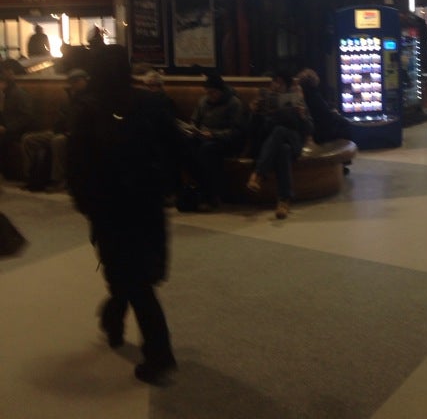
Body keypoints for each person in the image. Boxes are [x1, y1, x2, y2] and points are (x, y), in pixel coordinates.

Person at [66, 45, 179, 385]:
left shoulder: (87, 109)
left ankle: (158, 352)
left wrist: (86, 204)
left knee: (132, 277)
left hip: (110, 208)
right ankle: (115, 320)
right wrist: (167, 188)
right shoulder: (152, 103)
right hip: (146, 205)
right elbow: (174, 149)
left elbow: (76, 165)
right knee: (137, 275)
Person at [246, 70, 313, 219]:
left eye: (280, 82)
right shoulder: (265, 98)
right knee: (283, 150)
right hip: (271, 145)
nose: (276, 85)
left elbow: (310, 129)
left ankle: (258, 174)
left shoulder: (297, 100)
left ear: (287, 86)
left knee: (280, 131)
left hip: (295, 140)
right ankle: (284, 200)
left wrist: (302, 117)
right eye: (274, 82)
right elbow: (252, 130)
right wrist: (255, 113)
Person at [180, 71, 248, 210]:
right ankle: (201, 188)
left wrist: (214, 134)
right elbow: (195, 120)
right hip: (203, 137)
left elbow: (237, 131)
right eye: (207, 93)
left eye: (213, 93)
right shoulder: (203, 101)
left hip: (226, 142)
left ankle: (211, 194)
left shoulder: (234, 103)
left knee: (207, 150)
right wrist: (192, 129)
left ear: (221, 91)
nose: (210, 96)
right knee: (184, 147)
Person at [21, 67, 90, 191]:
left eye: (77, 81)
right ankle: (32, 177)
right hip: (60, 131)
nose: (75, 84)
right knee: (28, 139)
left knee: (58, 141)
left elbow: (87, 122)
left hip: (77, 135)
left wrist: (69, 131)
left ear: (85, 81)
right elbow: (61, 119)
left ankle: (59, 180)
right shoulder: (68, 98)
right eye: (72, 81)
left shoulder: (90, 98)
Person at [0, 59, 37, 182]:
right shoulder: (5, 94)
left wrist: (7, 128)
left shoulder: (18, 94)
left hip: (19, 130)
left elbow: (27, 117)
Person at [296, 68, 353, 144]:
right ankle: (339, 148)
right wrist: (335, 113)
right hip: (323, 135)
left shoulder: (308, 96)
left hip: (319, 132)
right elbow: (326, 117)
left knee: (343, 121)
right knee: (346, 124)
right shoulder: (314, 96)